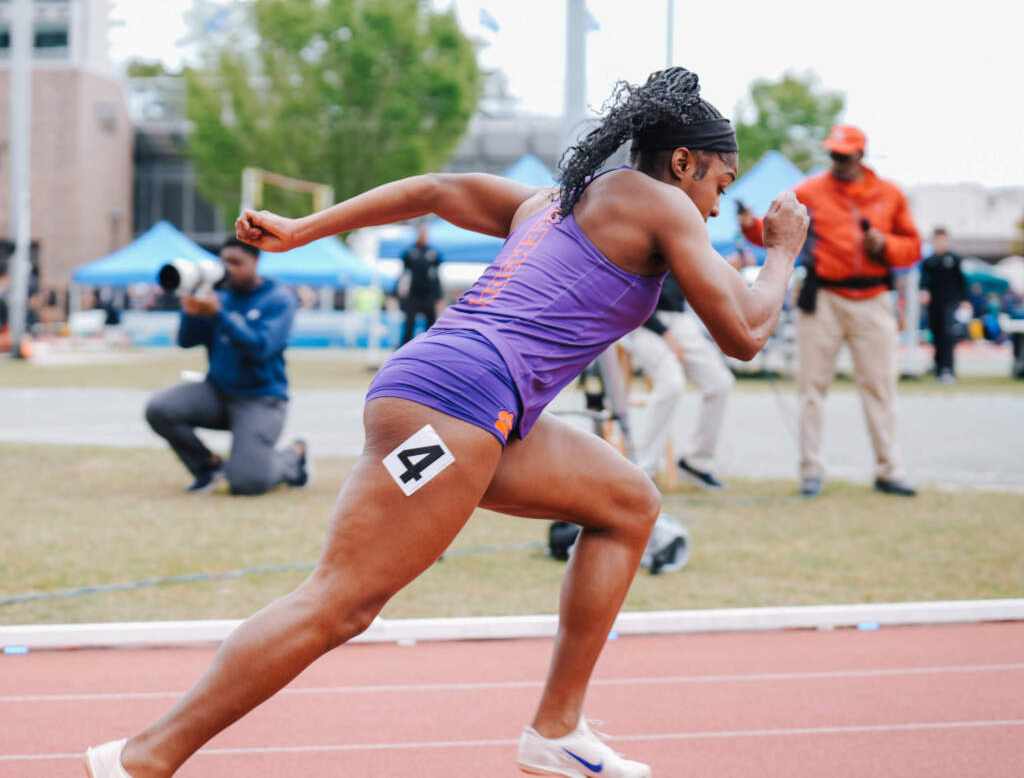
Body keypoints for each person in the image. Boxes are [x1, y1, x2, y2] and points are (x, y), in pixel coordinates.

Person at [86, 67, 808, 778]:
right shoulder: (662, 201)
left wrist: (307, 229)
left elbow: (435, 190)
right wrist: (780, 252)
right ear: (684, 162)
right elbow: (745, 332)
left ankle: (557, 730)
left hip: (468, 400)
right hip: (457, 401)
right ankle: (143, 757)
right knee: (340, 601)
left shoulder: (556, 201)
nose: (716, 206)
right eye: (719, 182)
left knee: (627, 504)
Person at [739, 124, 921, 498]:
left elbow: (913, 247)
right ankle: (811, 471)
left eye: (844, 155)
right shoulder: (811, 190)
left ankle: (889, 470)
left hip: (872, 297)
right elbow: (776, 230)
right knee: (810, 387)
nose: (837, 162)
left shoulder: (889, 194)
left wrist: (885, 245)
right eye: (832, 155)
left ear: (860, 155)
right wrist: (750, 226)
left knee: (881, 387)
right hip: (823, 297)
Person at [144, 238, 310, 495]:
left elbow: (261, 348)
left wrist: (217, 314)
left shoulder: (278, 299)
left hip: (261, 399)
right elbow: (187, 341)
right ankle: (208, 466)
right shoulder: (219, 294)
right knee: (160, 408)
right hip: (218, 392)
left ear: (255, 261)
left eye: (236, 262)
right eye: (224, 262)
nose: (228, 268)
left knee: (247, 483)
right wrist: (191, 306)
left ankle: (293, 457)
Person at [621, 272, 734, 488]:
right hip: (642, 320)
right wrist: (665, 334)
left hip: (679, 318)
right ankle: (643, 469)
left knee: (720, 382)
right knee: (671, 384)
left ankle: (696, 462)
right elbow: (630, 295)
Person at [920, 227, 967, 383]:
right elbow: (923, 282)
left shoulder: (954, 259)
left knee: (948, 333)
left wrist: (965, 301)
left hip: (950, 302)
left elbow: (962, 282)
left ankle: (948, 368)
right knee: (937, 334)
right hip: (934, 304)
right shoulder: (929, 262)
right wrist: (923, 291)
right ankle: (939, 367)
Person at [398, 220, 443, 344]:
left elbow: (436, 276)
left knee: (431, 326)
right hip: (413, 296)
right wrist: (398, 295)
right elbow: (403, 275)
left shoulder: (433, 253)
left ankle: (429, 349)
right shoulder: (409, 253)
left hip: (428, 296)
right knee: (409, 325)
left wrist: (438, 297)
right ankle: (403, 350)